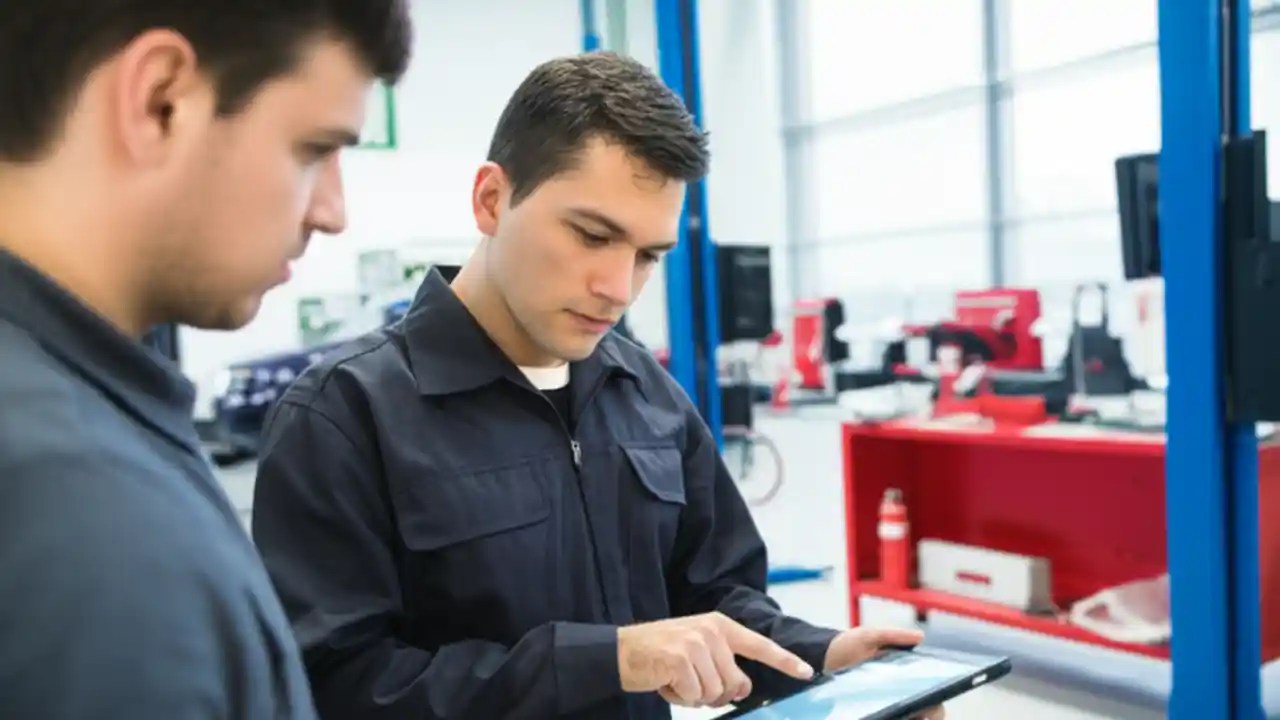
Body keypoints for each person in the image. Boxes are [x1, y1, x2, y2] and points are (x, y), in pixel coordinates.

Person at [252, 51, 941, 719]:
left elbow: (714, 594)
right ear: (491, 199)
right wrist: (604, 662)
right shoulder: (344, 416)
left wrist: (823, 660)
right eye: (590, 235)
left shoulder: (643, 392)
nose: (618, 289)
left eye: (647, 255)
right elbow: (333, 687)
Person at [0, 2, 412, 717]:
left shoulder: (74, 417)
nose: (332, 211)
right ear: (162, 100)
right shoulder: (83, 521)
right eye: (313, 150)